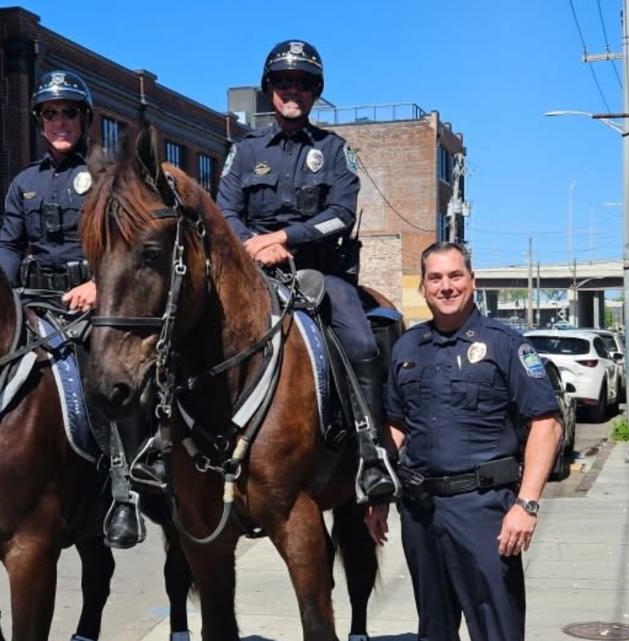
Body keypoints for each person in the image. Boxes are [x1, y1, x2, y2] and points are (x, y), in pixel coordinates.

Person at [216, 39, 397, 502]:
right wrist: (253, 247)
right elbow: (225, 212)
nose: (291, 91)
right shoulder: (243, 150)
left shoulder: (335, 151)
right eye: (282, 83)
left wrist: (283, 239)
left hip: (320, 275)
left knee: (360, 340)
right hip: (252, 274)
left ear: (315, 91)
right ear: (269, 90)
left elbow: (341, 212)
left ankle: (372, 455)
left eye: (301, 84)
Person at [364, 242, 564, 641]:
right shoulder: (407, 346)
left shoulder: (505, 344)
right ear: (423, 287)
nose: (446, 286)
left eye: (455, 276)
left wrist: (526, 504)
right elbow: (397, 425)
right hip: (421, 511)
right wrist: (379, 493)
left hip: (485, 510)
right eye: (435, 278)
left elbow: (547, 423)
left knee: (496, 629)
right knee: (434, 629)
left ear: (472, 281)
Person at [0, 70, 143, 550]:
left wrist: (98, 286)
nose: (60, 122)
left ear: (86, 120)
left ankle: (123, 491)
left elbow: (128, 244)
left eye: (69, 113)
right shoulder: (24, 182)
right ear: (39, 122)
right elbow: (9, 246)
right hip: (34, 302)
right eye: (51, 114)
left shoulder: (108, 177)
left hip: (92, 304)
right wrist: (1, 292)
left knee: (104, 377)